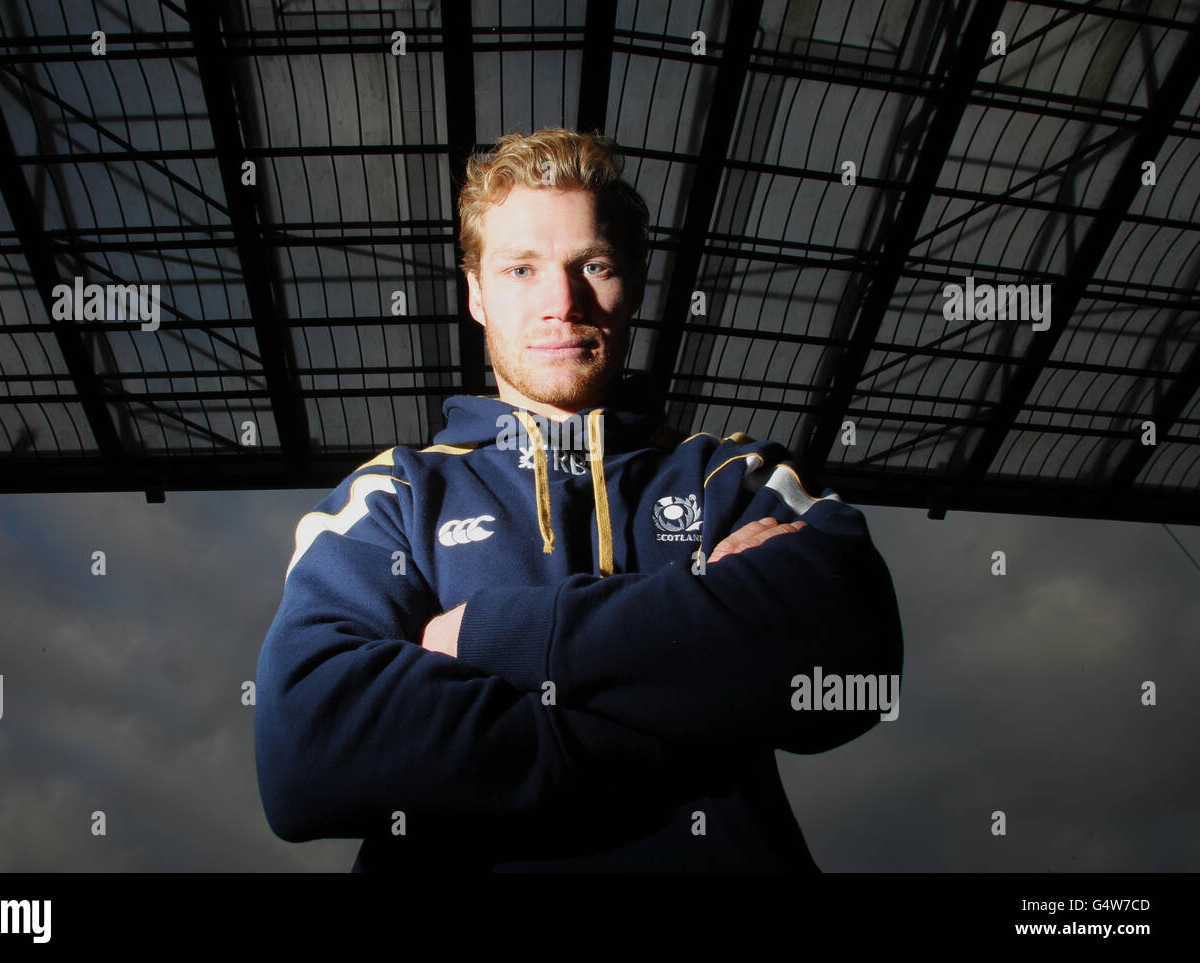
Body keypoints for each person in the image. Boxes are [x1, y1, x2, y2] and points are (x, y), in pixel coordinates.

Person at [254, 127, 903, 871]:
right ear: (476, 293)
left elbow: (856, 657)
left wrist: (492, 634)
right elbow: (305, 745)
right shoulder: (394, 496)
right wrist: (695, 692)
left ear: (631, 283)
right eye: (521, 269)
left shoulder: (727, 475)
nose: (562, 301)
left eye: (591, 264)